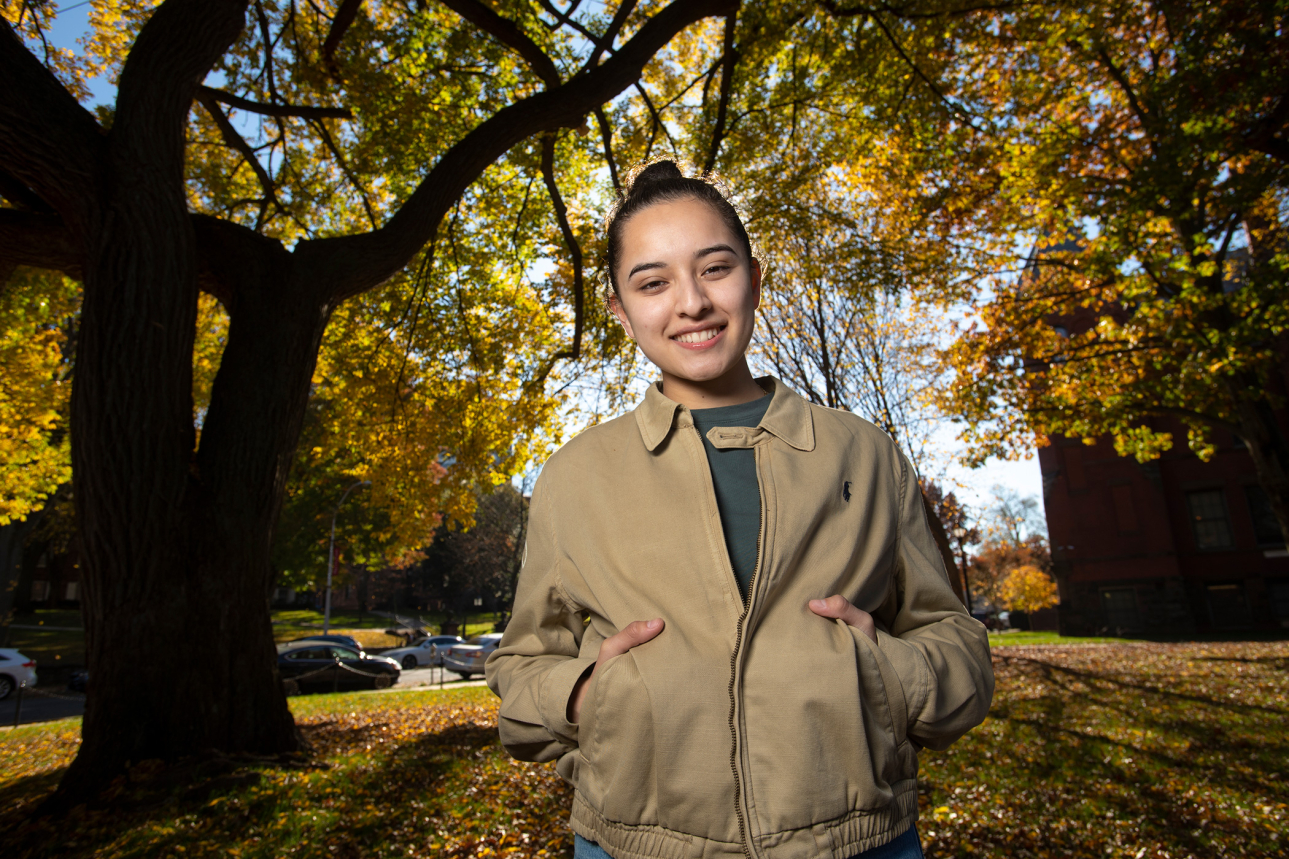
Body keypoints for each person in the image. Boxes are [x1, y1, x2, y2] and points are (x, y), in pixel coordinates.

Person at [485, 161, 994, 859]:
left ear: (753, 276)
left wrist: (884, 670)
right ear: (618, 307)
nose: (690, 302)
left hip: (861, 841)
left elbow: (955, 643)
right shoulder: (574, 476)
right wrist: (581, 695)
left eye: (714, 268)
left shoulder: (863, 454)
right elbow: (521, 666)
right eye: (653, 281)